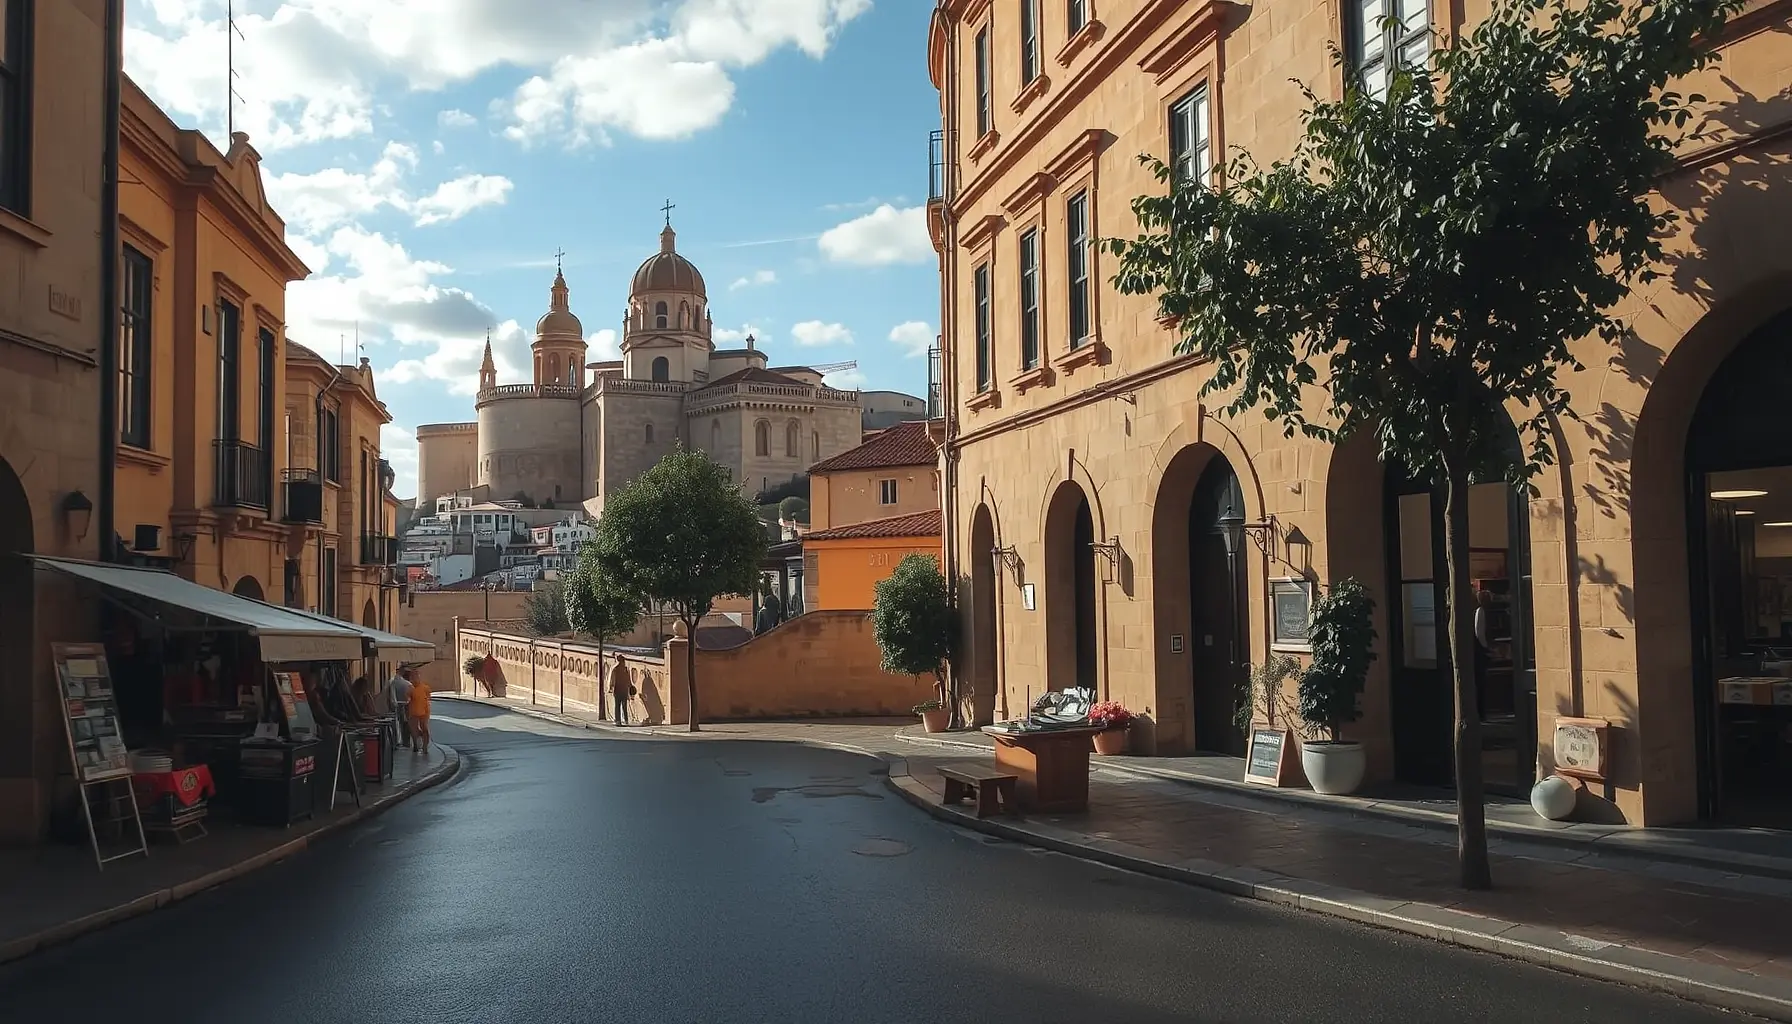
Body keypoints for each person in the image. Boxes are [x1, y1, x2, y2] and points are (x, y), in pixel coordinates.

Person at [385, 666, 415, 750]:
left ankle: (399, 742)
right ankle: (407, 743)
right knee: (407, 725)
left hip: (396, 708)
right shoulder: (409, 685)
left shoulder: (392, 683)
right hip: (408, 708)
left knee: (398, 725)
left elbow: (390, 697)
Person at [408, 670, 432, 755]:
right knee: (414, 730)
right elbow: (407, 700)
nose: (415, 679)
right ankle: (415, 745)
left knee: (424, 729)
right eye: (413, 677)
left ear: (419, 677)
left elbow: (428, 699)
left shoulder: (425, 688)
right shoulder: (410, 689)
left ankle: (424, 747)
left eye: (416, 677)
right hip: (413, 712)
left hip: (424, 712)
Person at [608, 655, 634, 726]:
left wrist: (610, 688)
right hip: (623, 689)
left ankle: (618, 721)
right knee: (624, 706)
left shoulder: (615, 669)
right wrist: (630, 687)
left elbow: (612, 680)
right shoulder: (624, 669)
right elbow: (628, 680)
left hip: (617, 689)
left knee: (617, 706)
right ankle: (625, 720)